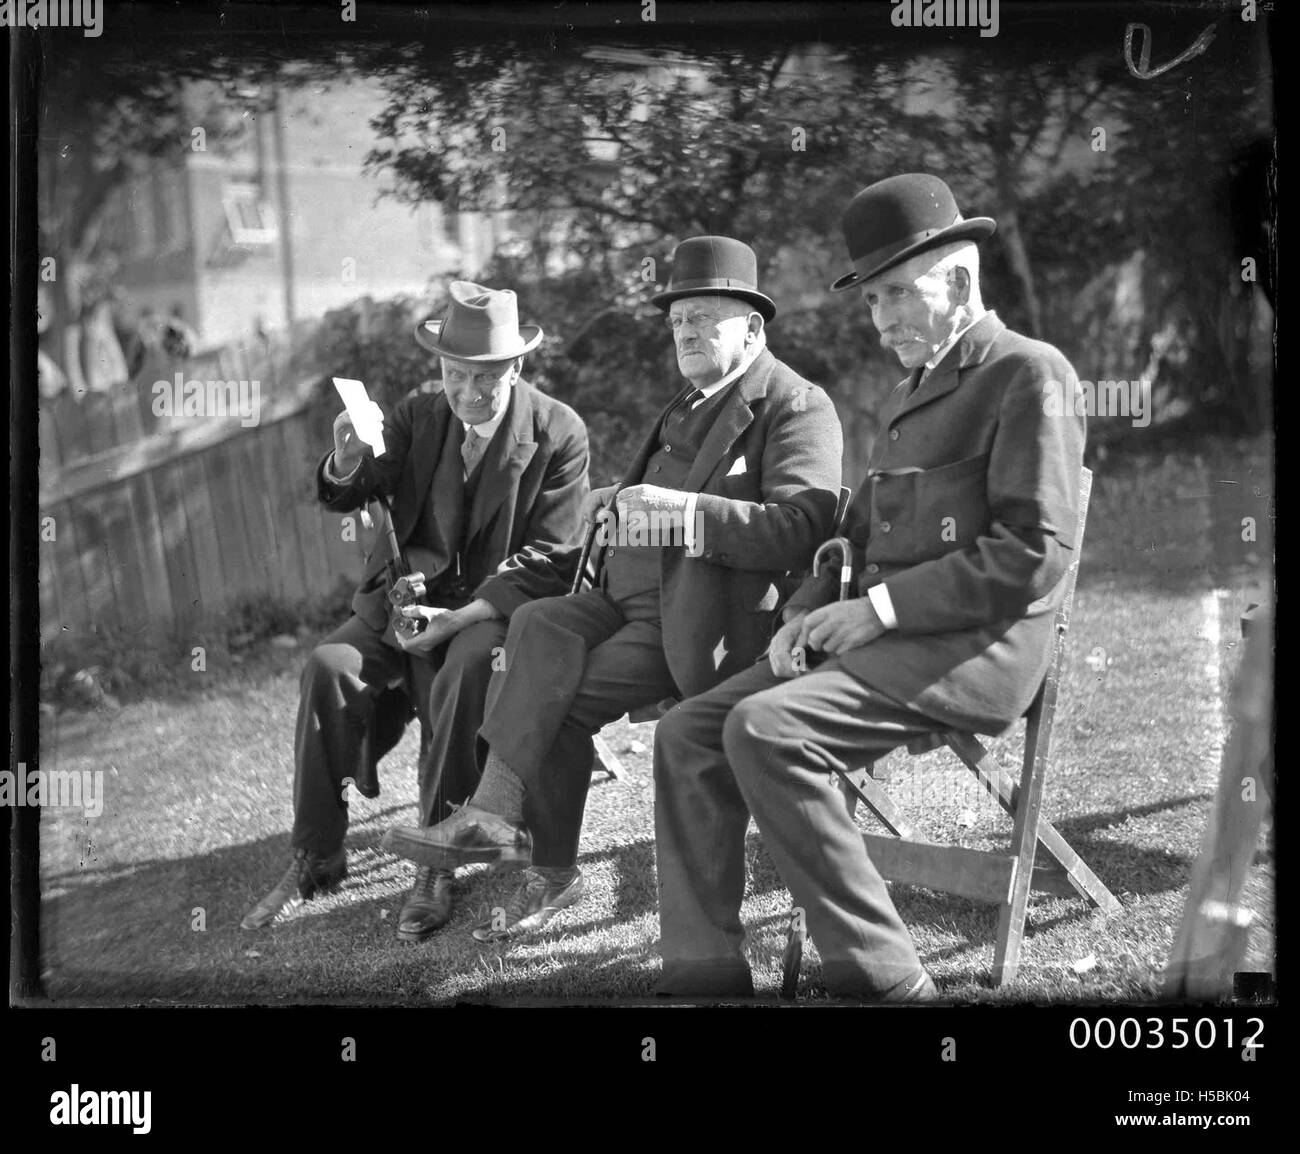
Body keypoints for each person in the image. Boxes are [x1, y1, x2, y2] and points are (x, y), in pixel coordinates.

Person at [652, 174, 1088, 999]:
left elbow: (1036, 551)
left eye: (896, 295)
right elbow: (857, 530)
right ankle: (704, 976)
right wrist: (808, 610)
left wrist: (879, 610)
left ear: (958, 282)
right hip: (884, 639)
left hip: (974, 648)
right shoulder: (907, 394)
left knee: (768, 731)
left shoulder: (1030, 375)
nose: (883, 320)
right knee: (688, 734)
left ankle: (887, 984)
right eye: (873, 302)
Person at [383, 236, 844, 942]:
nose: (686, 332)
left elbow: (799, 527)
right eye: (677, 321)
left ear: (752, 328)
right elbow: (652, 497)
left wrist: (682, 514)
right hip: (625, 600)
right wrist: (617, 501)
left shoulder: (795, 405)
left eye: (704, 318)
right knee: (538, 623)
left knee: (556, 697)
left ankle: (531, 848)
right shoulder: (685, 403)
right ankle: (495, 815)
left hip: (705, 623)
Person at [242, 281, 589, 941]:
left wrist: (459, 618)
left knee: (466, 670)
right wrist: (346, 459)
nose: (470, 392)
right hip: (396, 604)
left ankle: (438, 861)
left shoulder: (557, 432)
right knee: (328, 666)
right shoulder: (418, 412)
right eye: (456, 374)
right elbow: (358, 489)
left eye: (487, 378)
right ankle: (318, 852)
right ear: (440, 367)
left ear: (517, 367)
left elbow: (553, 556)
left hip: (488, 609)